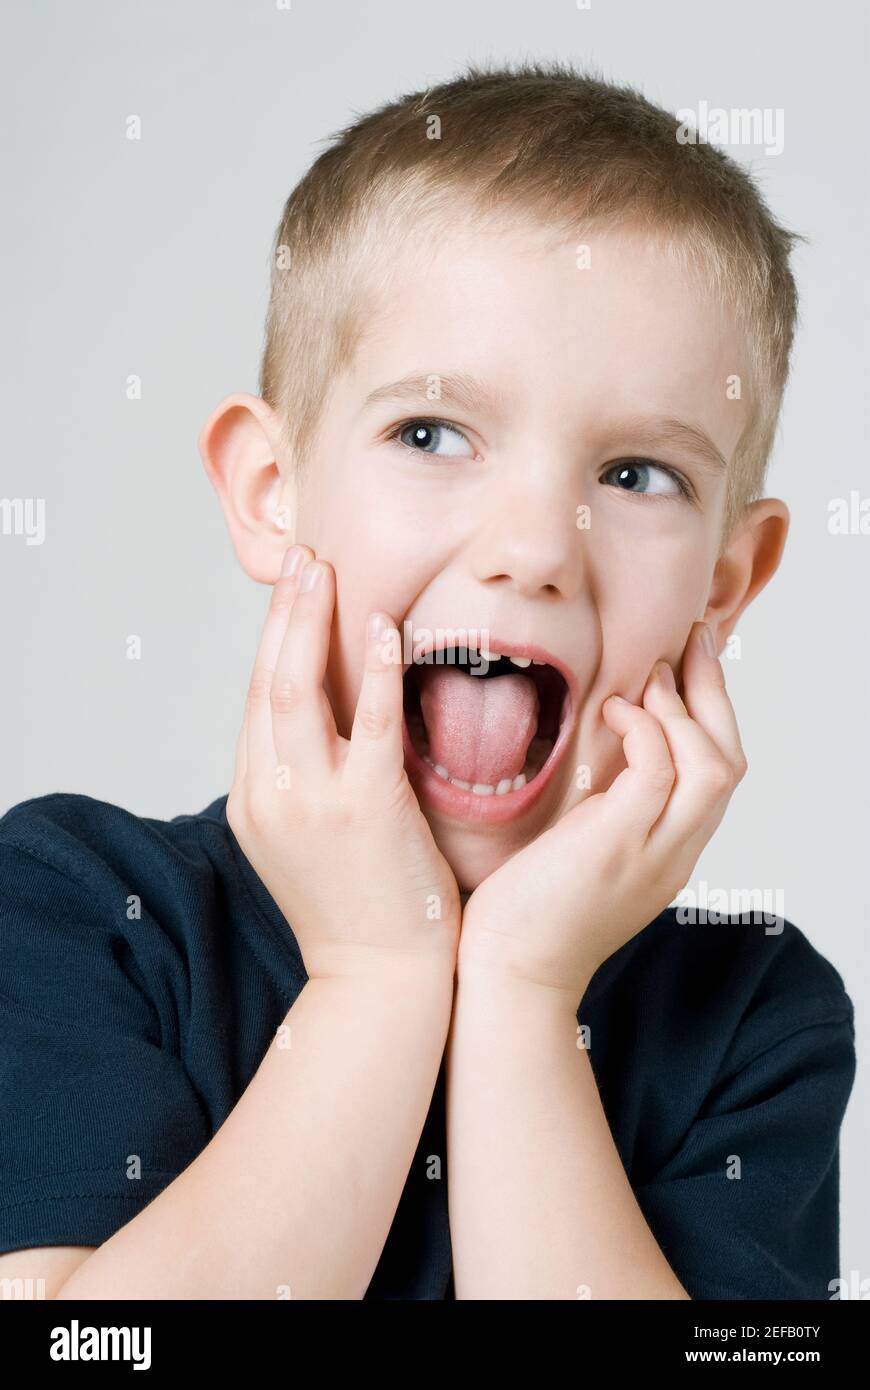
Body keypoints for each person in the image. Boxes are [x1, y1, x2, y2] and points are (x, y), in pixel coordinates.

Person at [0, 61, 855, 1300]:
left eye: (635, 475)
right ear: (269, 491)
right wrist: (374, 979)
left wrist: (521, 991)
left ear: (726, 581)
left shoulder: (755, 1019)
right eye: (433, 435)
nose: (536, 547)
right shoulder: (77, 911)